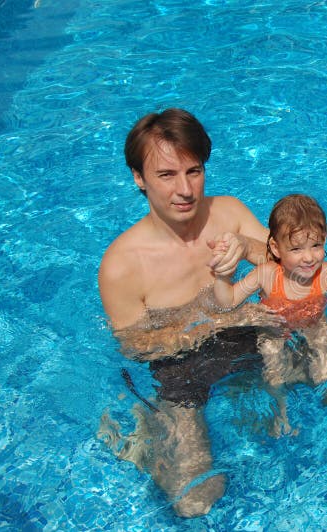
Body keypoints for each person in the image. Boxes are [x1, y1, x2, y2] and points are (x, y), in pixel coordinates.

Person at [97, 108, 274, 517]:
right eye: (166, 175)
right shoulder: (122, 264)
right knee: (196, 498)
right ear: (139, 179)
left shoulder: (227, 213)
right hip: (181, 371)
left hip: (244, 338)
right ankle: (145, 444)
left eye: (193, 171)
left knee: (324, 379)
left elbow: (297, 267)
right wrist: (216, 320)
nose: (185, 189)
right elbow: (136, 347)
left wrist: (247, 247)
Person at [211, 194, 327, 390]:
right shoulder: (267, 275)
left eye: (316, 245)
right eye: (296, 249)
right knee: (274, 374)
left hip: (313, 325)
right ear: (276, 248)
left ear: (324, 240)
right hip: (275, 330)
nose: (308, 257)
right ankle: (280, 413)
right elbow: (228, 302)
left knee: (324, 365)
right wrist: (222, 275)